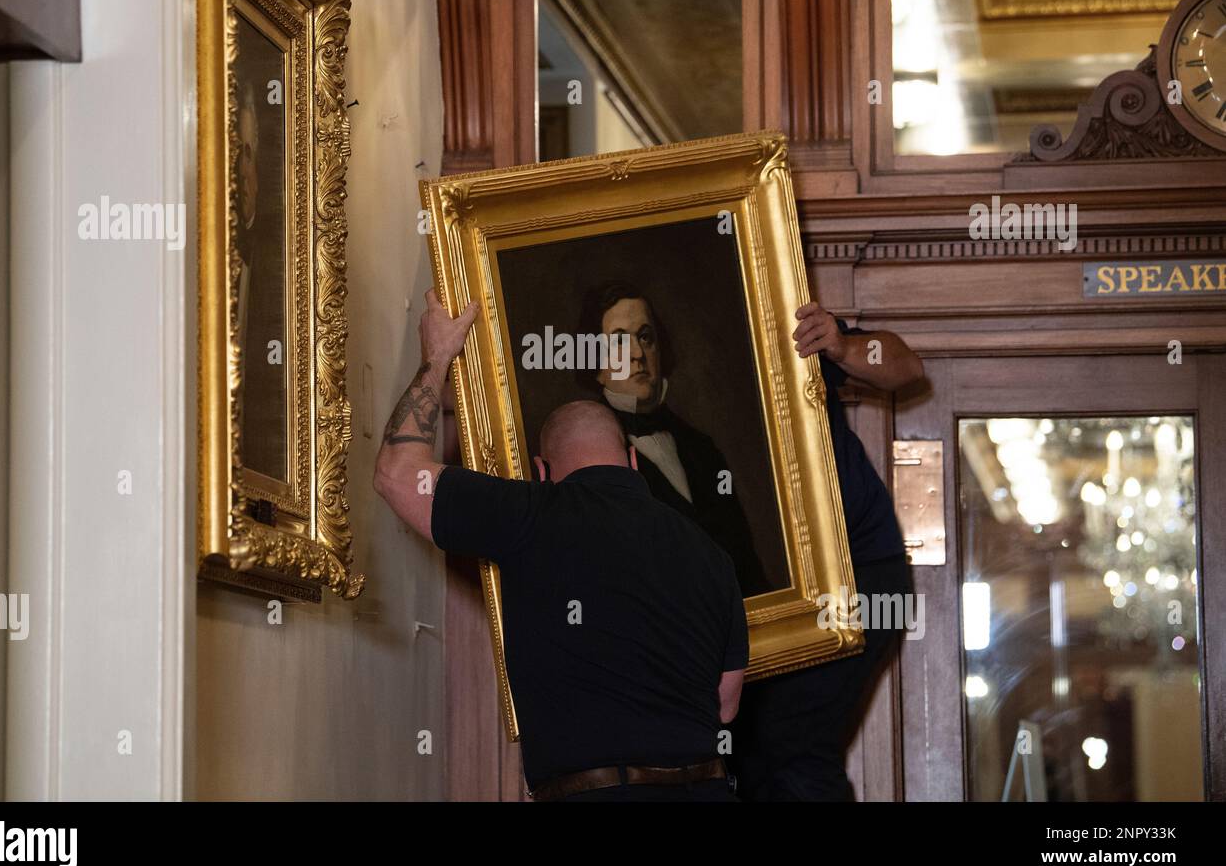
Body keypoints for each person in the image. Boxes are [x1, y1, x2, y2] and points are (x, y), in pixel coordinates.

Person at [374, 290, 750, 802]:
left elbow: (398, 475)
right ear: (634, 464)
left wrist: (437, 355)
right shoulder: (713, 556)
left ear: (543, 471)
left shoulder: (530, 514)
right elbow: (725, 706)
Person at [730, 301, 925, 801]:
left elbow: (905, 366)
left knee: (791, 744)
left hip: (855, 572)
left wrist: (840, 345)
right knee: (750, 754)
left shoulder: (774, 314)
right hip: (763, 592)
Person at [577, 281, 772, 595]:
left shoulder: (703, 449)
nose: (638, 354)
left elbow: (748, 569)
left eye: (645, 337)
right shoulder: (587, 457)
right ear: (594, 363)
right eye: (619, 342)